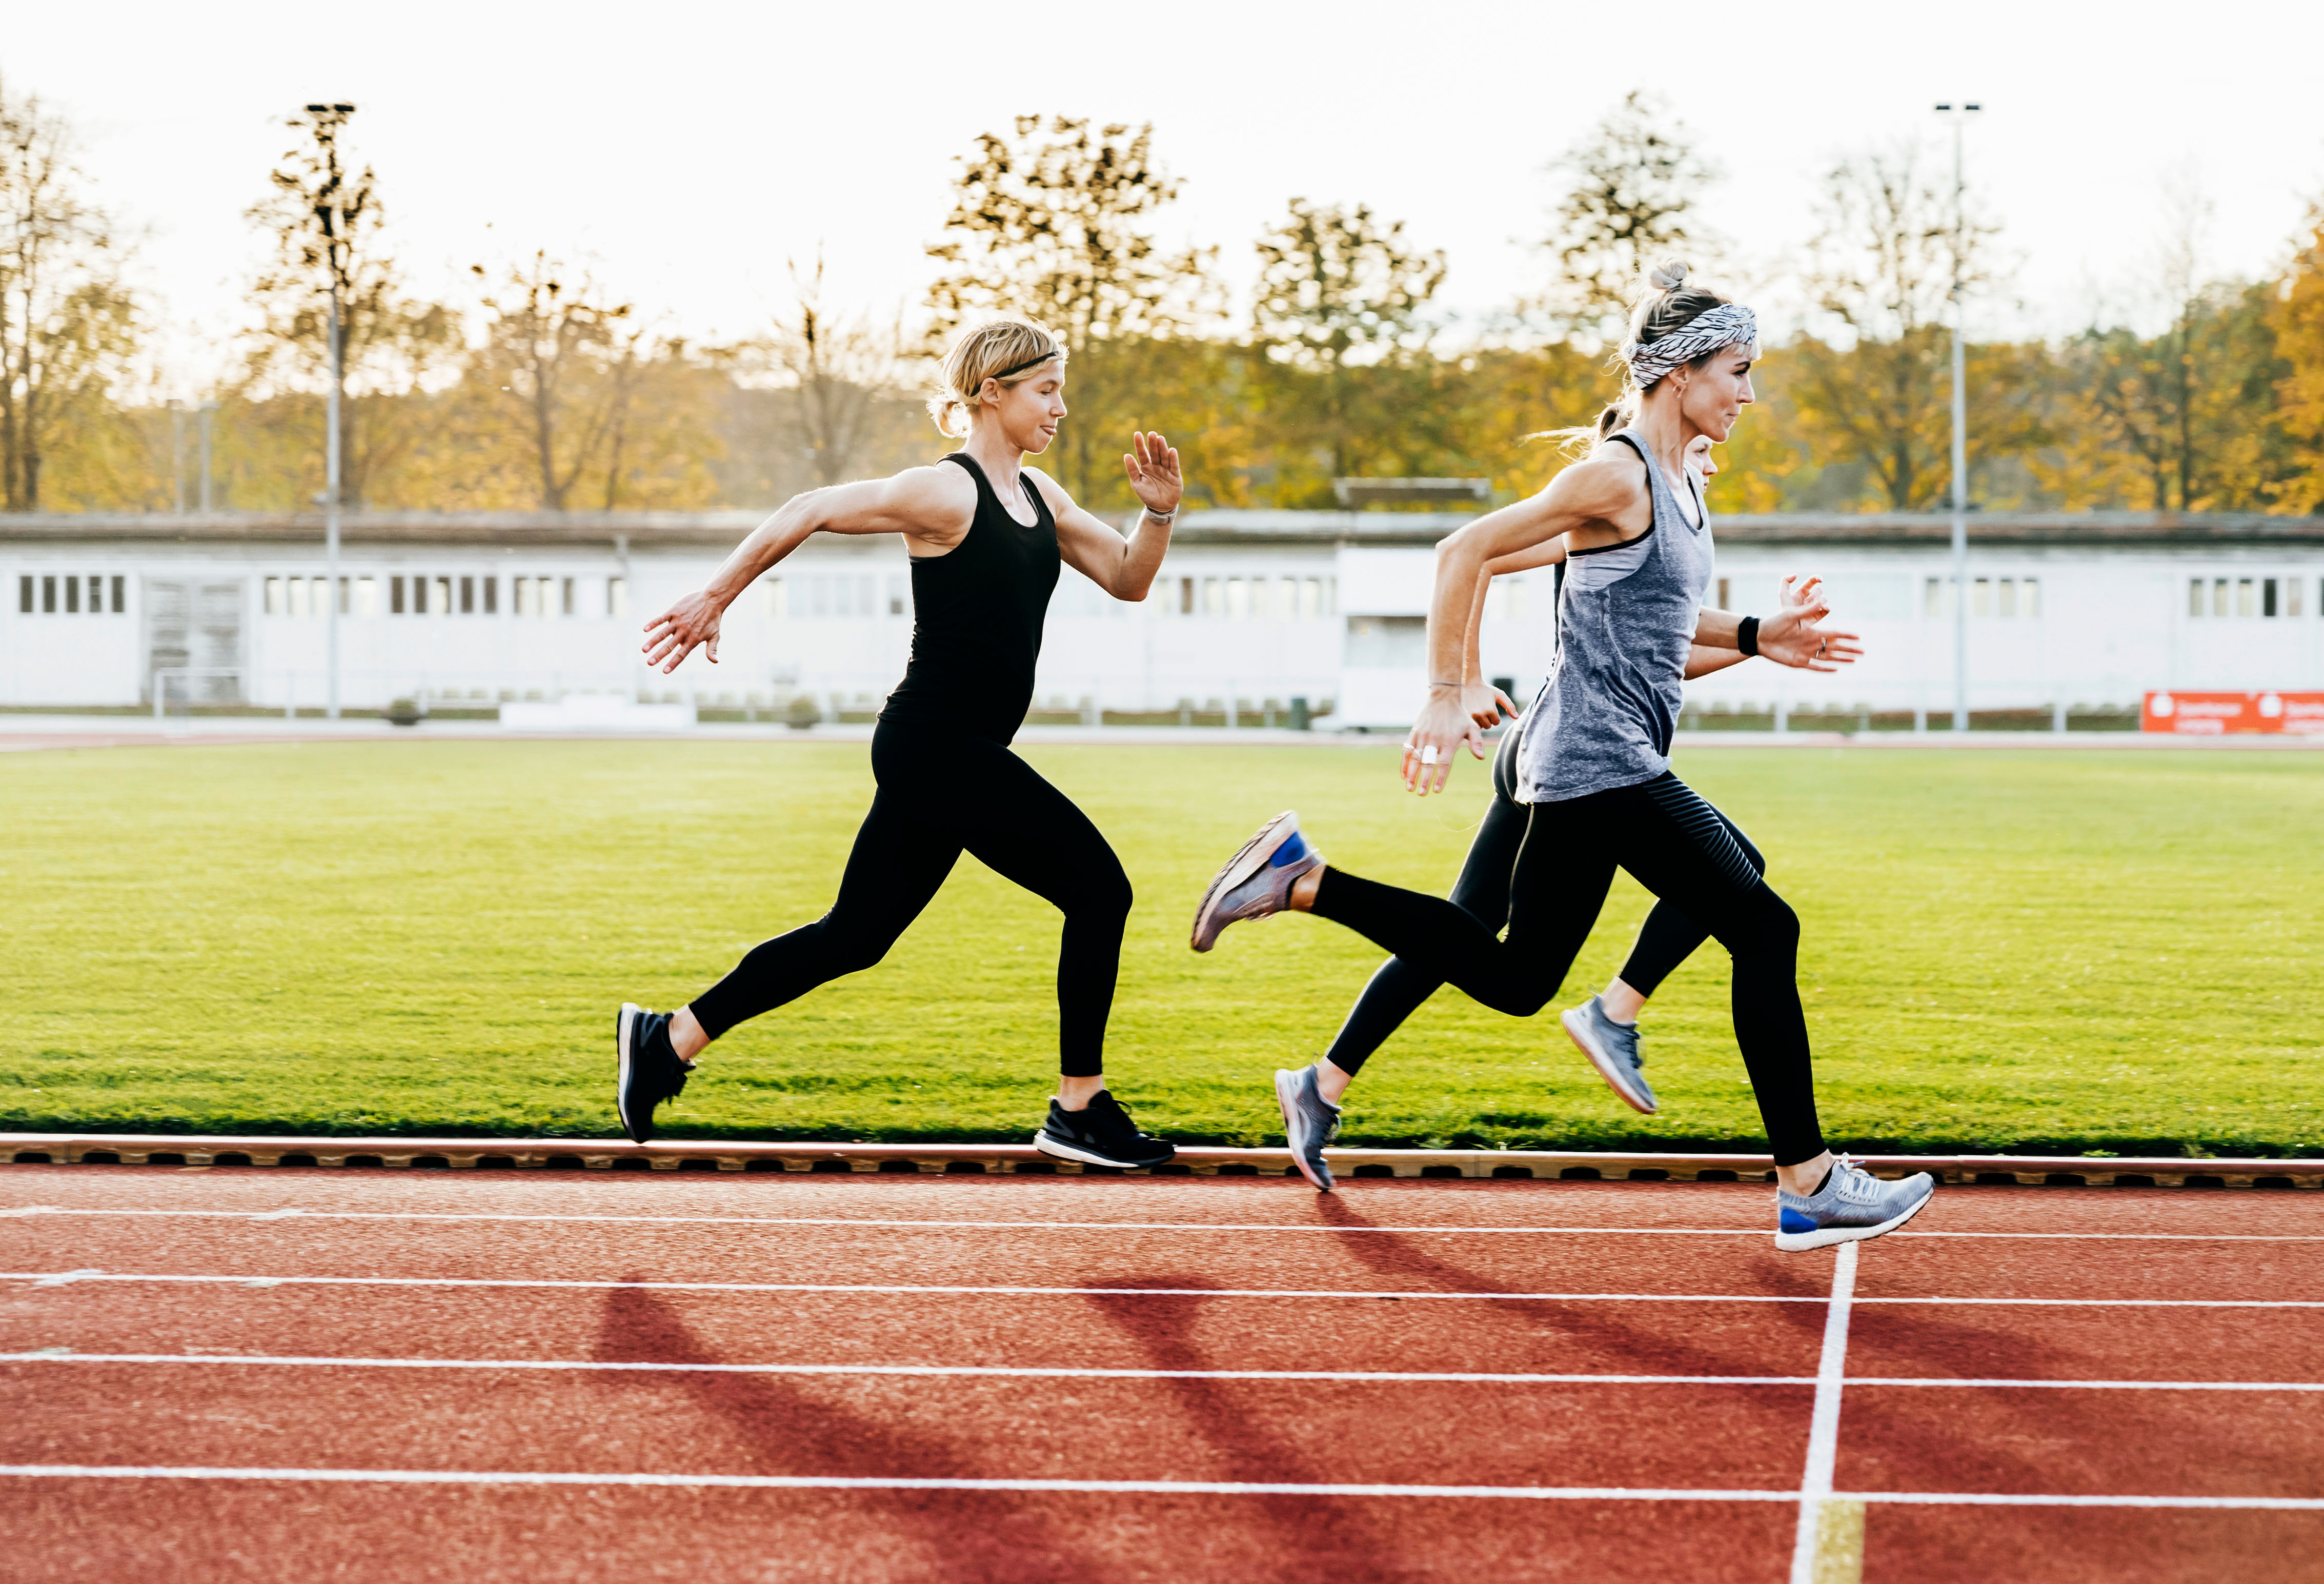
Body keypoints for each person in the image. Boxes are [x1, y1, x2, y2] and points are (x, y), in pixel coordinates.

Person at [1193, 262, 1932, 1251]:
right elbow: (1467, 551)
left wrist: (1759, 635)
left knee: (1514, 978)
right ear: (1678, 373)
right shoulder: (1616, 474)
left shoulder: (1674, 481)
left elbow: (1659, 633)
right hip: (1598, 761)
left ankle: (1304, 881)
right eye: (1737, 372)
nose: (1749, 394)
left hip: (1600, 761)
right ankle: (1807, 1180)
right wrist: (1447, 690)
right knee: (1765, 925)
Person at [615, 312, 1183, 1170]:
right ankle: (1079, 1105)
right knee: (1100, 889)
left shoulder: (1043, 499)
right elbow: (809, 507)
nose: (1061, 406)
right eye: (1047, 389)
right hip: (935, 743)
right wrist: (716, 596)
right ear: (992, 393)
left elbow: (1128, 579)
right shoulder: (946, 492)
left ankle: (668, 1040)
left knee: (856, 934)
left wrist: (1160, 516)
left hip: (949, 752)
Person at [1267, 437, 1828, 1194]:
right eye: (1704, 444)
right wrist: (1460, 682)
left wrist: (1762, 642)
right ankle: (1614, 1011)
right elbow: (1480, 557)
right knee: (1739, 891)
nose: (1717, 458)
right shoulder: (1616, 500)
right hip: (1578, 756)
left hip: (1554, 748)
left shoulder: (1662, 526)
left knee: (1468, 935)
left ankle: (1322, 1082)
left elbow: (1668, 648)